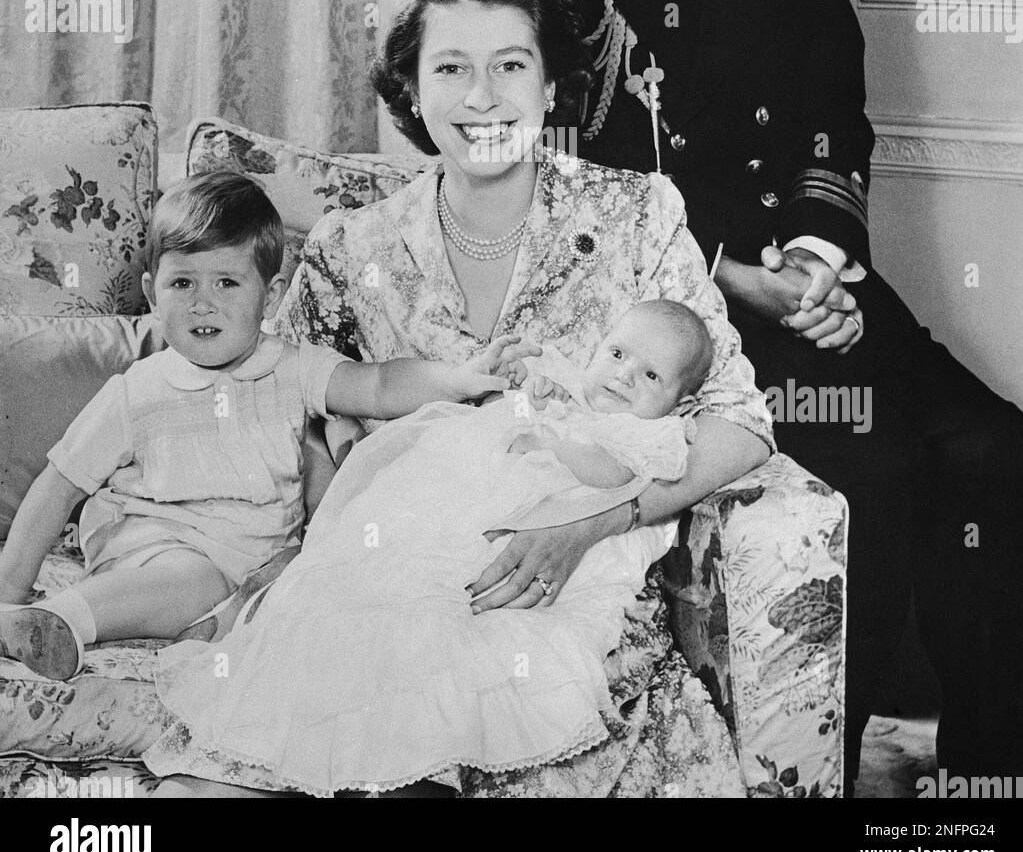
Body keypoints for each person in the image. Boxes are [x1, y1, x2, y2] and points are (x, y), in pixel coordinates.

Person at [464, 0, 1023, 793]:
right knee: (870, 471)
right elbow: (526, 158)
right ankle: (822, 786)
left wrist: (827, 251)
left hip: (804, 272)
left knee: (1004, 456)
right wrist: (728, 269)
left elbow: (836, 97)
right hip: (660, 312)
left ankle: (982, 798)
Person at [148, 0, 773, 797]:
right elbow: (275, 411)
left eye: (511, 66)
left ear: (551, 88)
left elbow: (739, 423)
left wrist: (589, 521)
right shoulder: (349, 248)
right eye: (450, 68)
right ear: (411, 90)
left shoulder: (635, 215)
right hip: (388, 598)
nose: (482, 98)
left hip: (566, 619)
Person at [142, 301, 715, 795]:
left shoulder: (648, 437)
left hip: (536, 537)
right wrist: (534, 402)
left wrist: (551, 438)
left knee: (456, 642)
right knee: (384, 577)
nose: (622, 377)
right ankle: (333, 719)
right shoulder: (565, 390)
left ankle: (407, 760)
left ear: (679, 403)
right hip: (466, 510)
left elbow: (608, 472)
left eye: (650, 377)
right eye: (617, 355)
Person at [0, 171, 530, 681]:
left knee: (320, 588)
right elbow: (58, 485)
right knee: (196, 580)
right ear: (152, 292)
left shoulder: (294, 367)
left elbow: (379, 387)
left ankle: (212, 630)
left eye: (227, 282)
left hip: (260, 556)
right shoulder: (137, 393)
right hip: (155, 543)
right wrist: (10, 587)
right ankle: (60, 619)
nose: (202, 302)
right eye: (181, 283)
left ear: (271, 297)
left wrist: (461, 378)